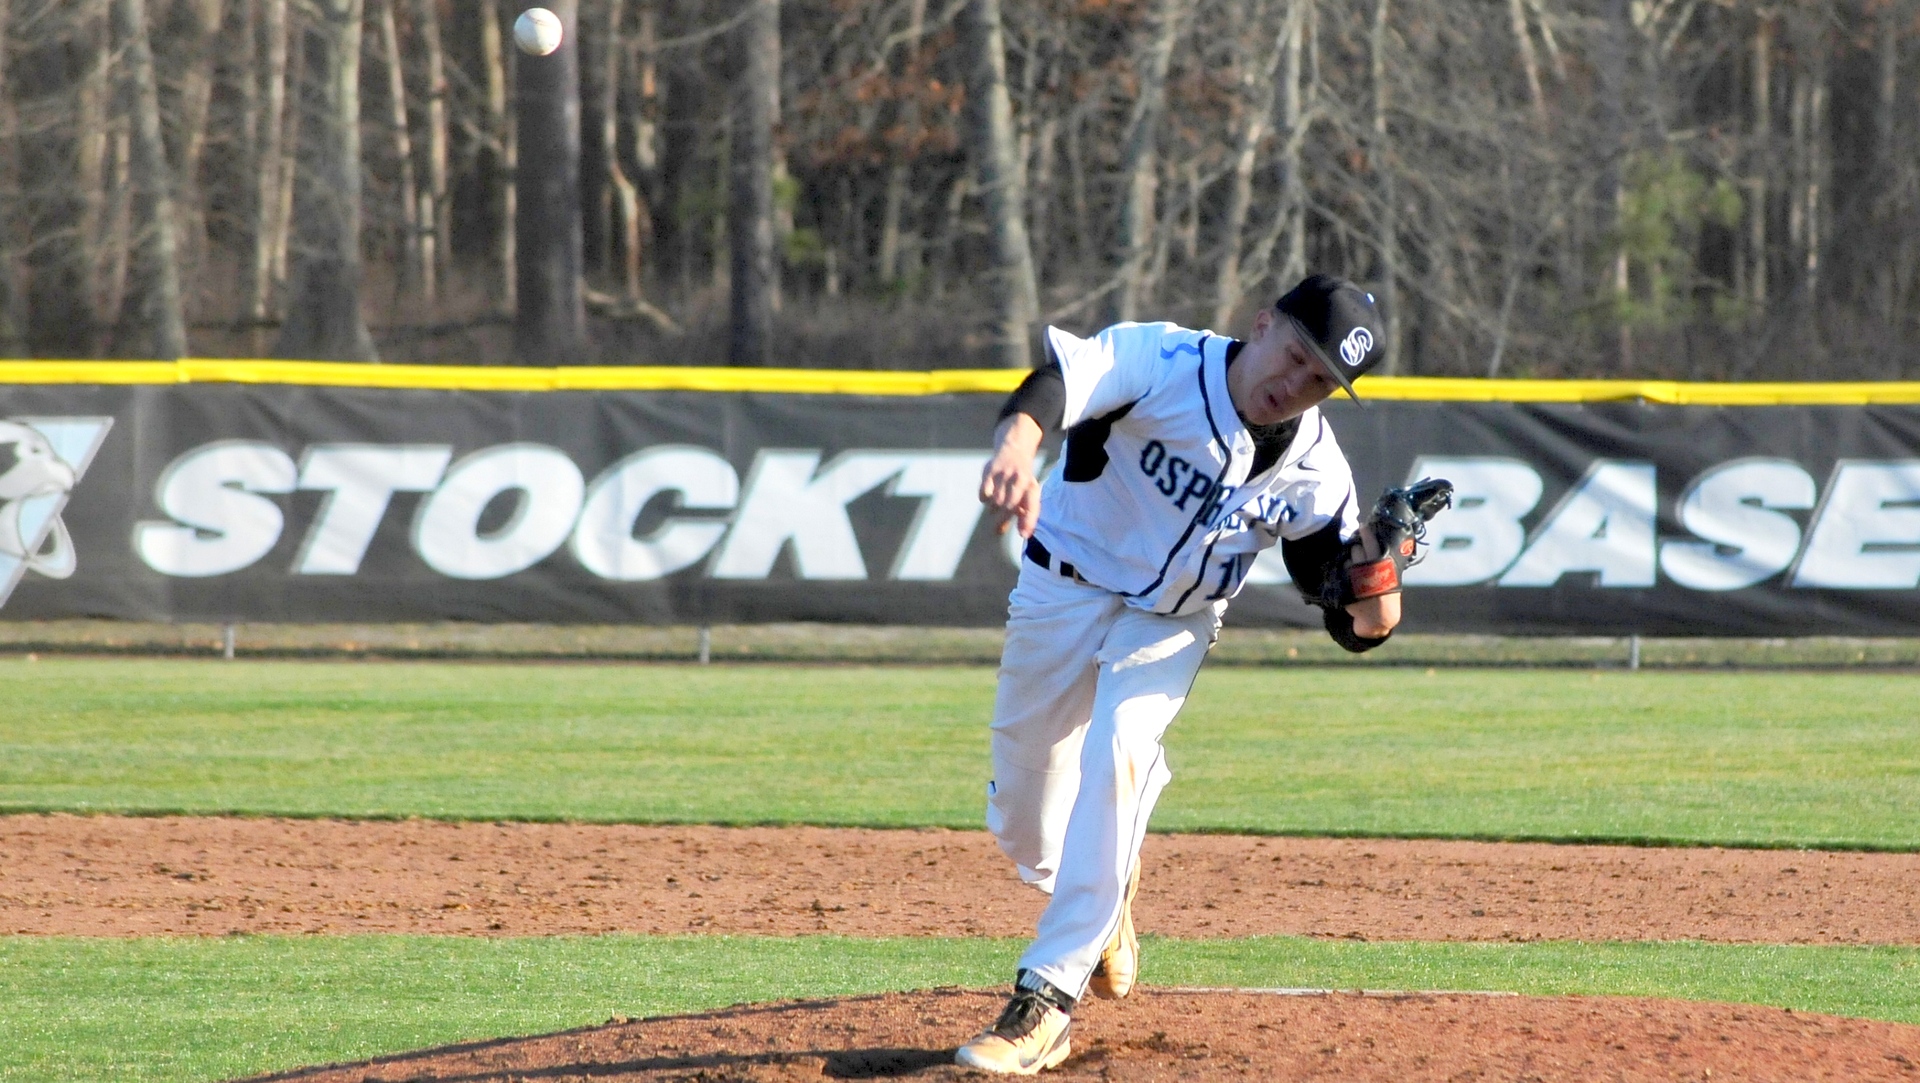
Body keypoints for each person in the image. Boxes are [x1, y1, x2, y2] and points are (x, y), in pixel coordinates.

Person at [954, 274, 1449, 1074]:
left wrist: (1374, 608)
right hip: (1062, 585)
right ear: (1261, 326)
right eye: (1294, 355)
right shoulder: (1160, 361)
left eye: (1320, 379)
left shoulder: (1318, 473)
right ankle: (1106, 900)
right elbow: (1059, 381)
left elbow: (1337, 600)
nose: (1296, 384)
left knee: (1121, 749)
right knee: (1024, 825)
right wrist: (1017, 443)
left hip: (1170, 624)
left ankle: (1045, 1000)